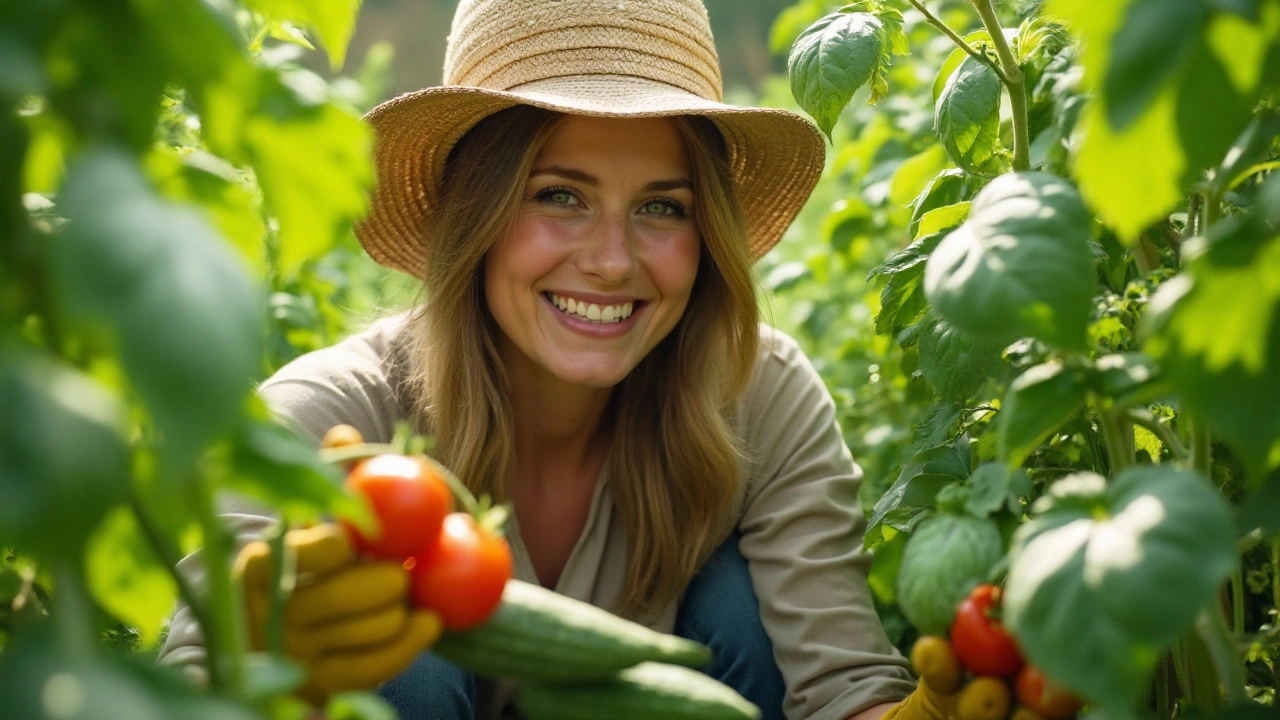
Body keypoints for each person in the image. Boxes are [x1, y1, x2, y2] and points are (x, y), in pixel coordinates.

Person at [159, 0, 962, 718]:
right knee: (406, 657)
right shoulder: (328, 420)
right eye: (559, 196)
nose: (612, 261)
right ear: (474, 211)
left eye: (661, 206)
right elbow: (189, 686)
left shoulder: (756, 395)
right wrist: (271, 681)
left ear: (705, 232)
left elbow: (840, 686)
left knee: (738, 608)